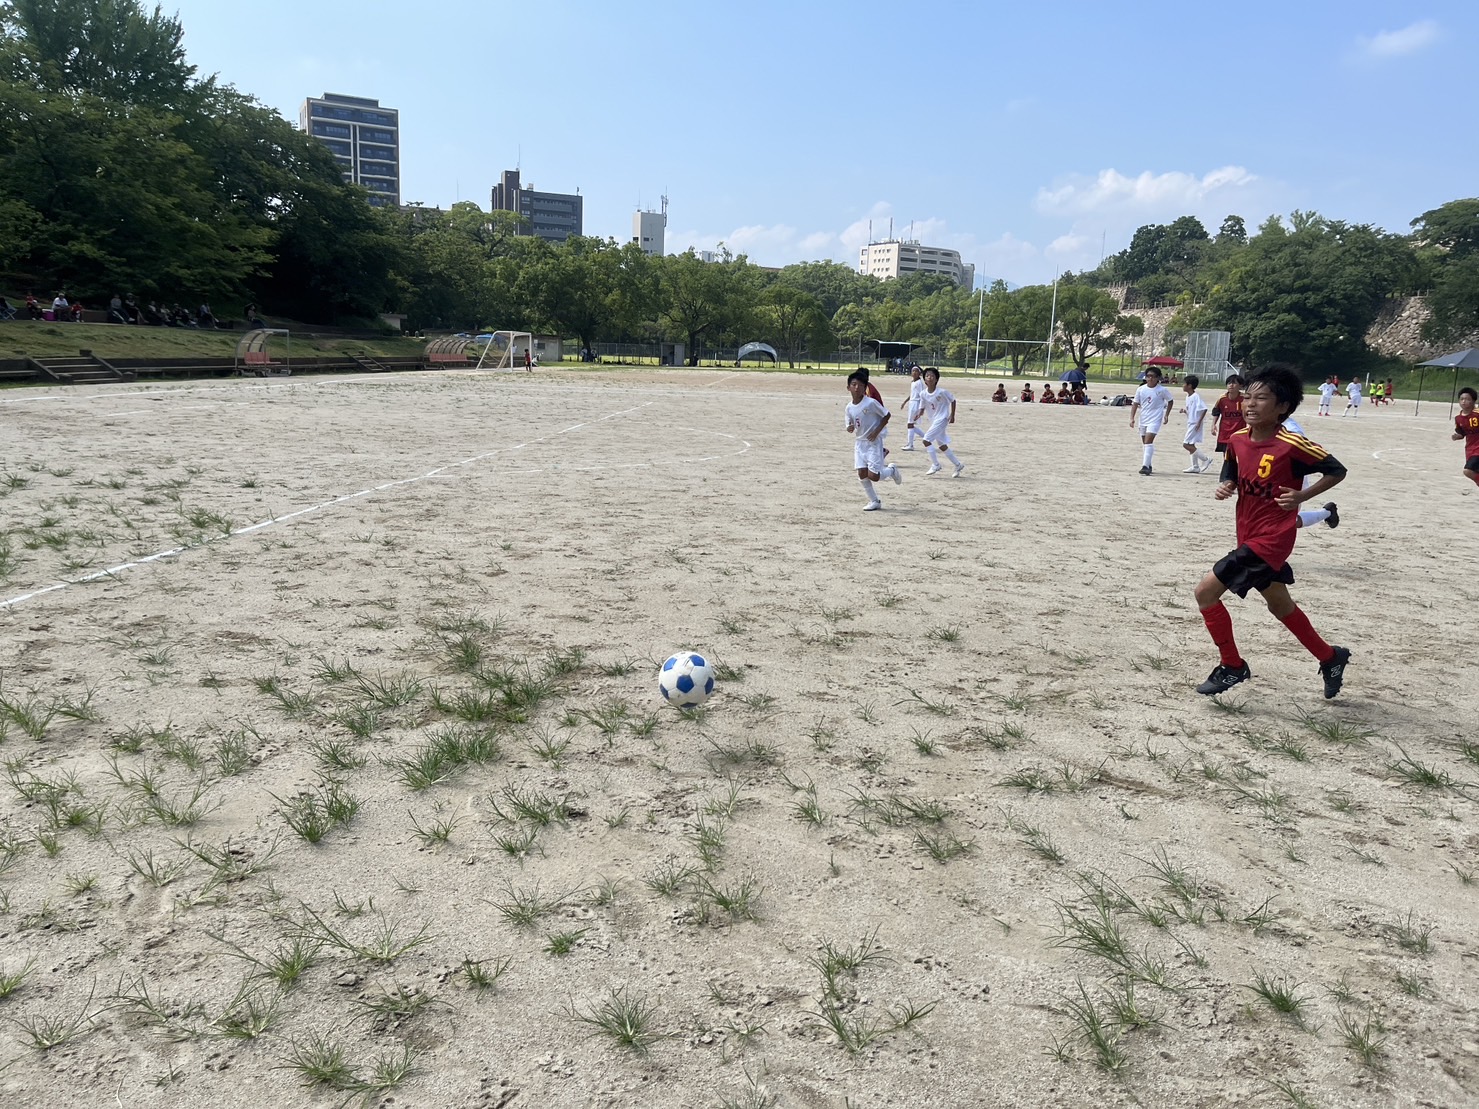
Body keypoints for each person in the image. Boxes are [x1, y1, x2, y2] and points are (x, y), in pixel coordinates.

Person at [1192, 364, 1349, 698]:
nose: (1250, 404)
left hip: (1272, 539)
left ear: (1282, 407)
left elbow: (1337, 470)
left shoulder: (1292, 444)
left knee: (1205, 592)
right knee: (1280, 606)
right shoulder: (1236, 439)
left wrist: (1302, 496)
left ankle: (1232, 665)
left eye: (1261, 398)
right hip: (1247, 532)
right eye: (1247, 397)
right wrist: (1226, 484)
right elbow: (1230, 467)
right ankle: (1331, 657)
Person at [844, 370, 901, 511]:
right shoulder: (849, 407)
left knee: (874, 476)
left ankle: (891, 470)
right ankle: (874, 500)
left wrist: (876, 431)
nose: (857, 388)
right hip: (859, 443)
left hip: (873, 443)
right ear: (848, 387)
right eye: (854, 384)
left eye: (861, 385)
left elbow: (887, 415)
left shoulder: (870, 403)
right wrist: (849, 427)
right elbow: (849, 422)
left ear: (865, 388)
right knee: (862, 474)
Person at [1282, 415, 1339, 529]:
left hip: (1287, 481)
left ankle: (1327, 512)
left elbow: (1336, 469)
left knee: (1285, 522)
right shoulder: (1257, 426)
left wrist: (1303, 494)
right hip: (1262, 481)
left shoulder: (1292, 431)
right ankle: (1327, 512)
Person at [918, 367, 964, 477]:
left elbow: (953, 400)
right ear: (924, 379)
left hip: (942, 419)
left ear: (936, 379)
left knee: (926, 440)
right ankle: (958, 464)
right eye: (927, 376)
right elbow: (922, 405)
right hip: (933, 420)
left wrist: (952, 415)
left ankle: (936, 464)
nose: (929, 378)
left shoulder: (942, 392)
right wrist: (919, 413)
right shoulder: (923, 393)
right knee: (942, 445)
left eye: (932, 376)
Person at [1129, 365, 1175, 475]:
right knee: (1145, 443)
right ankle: (1148, 464)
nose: (1150, 379)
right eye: (1148, 376)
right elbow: (1135, 404)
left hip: (1155, 419)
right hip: (1144, 418)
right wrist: (1132, 418)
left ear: (1158, 378)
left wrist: (1166, 415)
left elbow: (1170, 401)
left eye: (1153, 376)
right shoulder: (1141, 389)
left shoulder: (1162, 390)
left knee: (1148, 441)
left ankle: (1145, 466)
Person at [1180, 374, 1213, 474]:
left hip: (1195, 423)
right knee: (1191, 444)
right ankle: (1195, 466)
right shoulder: (1188, 397)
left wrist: (1199, 422)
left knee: (1186, 444)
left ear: (1189, 385)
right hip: (1191, 422)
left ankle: (1205, 459)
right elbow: (1193, 411)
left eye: (1184, 384)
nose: (1183, 386)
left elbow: (1204, 408)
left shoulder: (1195, 396)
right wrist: (1185, 412)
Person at [1211, 374, 1246, 455]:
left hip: (1239, 431)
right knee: (1226, 453)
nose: (1231, 385)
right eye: (1229, 383)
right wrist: (1213, 425)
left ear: (1240, 386)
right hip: (1225, 431)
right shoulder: (1222, 399)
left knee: (1239, 453)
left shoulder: (1244, 399)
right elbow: (1216, 412)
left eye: (1234, 383)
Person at [1453, 387, 1479, 489]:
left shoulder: (1477, 414)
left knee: (1467, 471)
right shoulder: (1458, 418)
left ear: (1473, 401)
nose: (1464, 402)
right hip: (1470, 449)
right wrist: (1457, 436)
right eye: (1462, 399)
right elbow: (1462, 433)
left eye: (1467, 399)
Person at [902, 366, 927, 450]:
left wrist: (921, 408)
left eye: (916, 371)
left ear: (919, 373)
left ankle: (910, 444)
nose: (914, 373)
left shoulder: (919, 383)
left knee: (910, 424)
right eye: (913, 371)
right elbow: (912, 394)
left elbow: (922, 395)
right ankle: (926, 437)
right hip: (912, 403)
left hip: (916, 404)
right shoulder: (913, 382)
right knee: (911, 424)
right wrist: (905, 402)